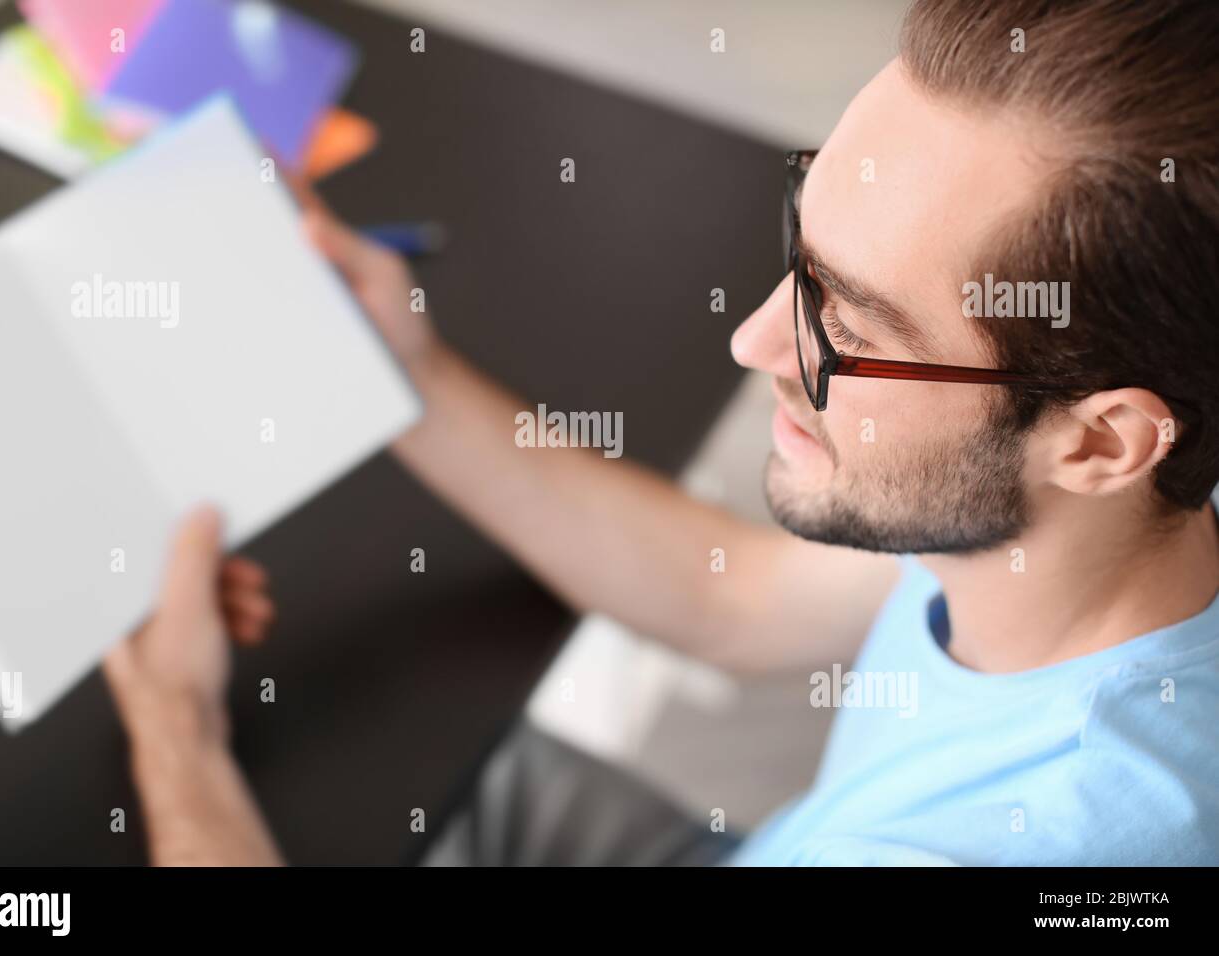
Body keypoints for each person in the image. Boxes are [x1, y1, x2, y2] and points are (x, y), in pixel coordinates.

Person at [103, 0, 1219, 865]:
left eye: (850, 324)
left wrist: (174, 731)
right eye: (805, 258)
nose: (753, 343)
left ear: (1101, 442)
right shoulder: (1106, 537)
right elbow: (734, 598)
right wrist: (412, 373)